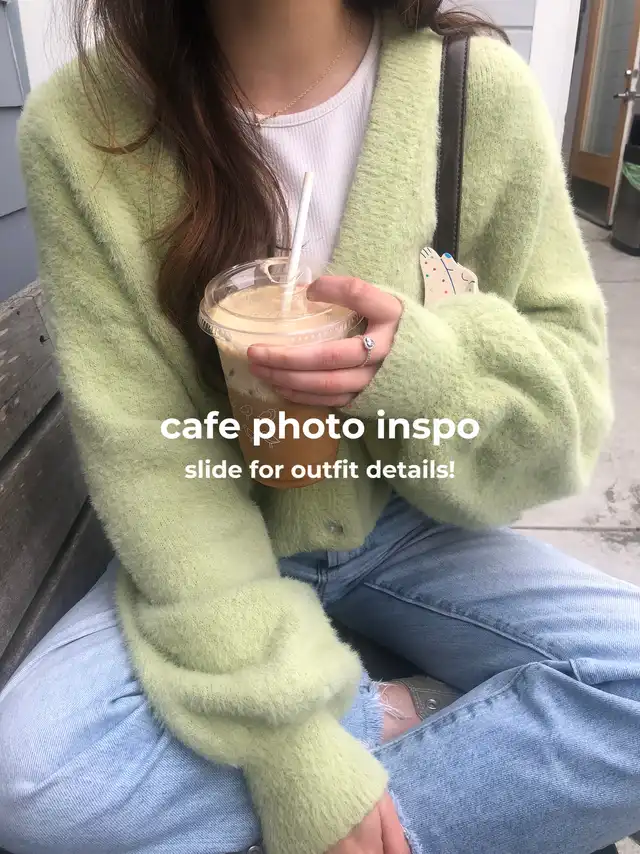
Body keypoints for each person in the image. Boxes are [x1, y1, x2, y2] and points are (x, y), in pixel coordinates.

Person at [1, 1, 639, 853]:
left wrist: (422, 369)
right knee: (34, 782)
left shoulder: (473, 91)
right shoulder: (86, 130)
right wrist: (296, 752)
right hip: (215, 534)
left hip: (410, 523)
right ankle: (406, 714)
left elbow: (567, 414)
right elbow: (152, 464)